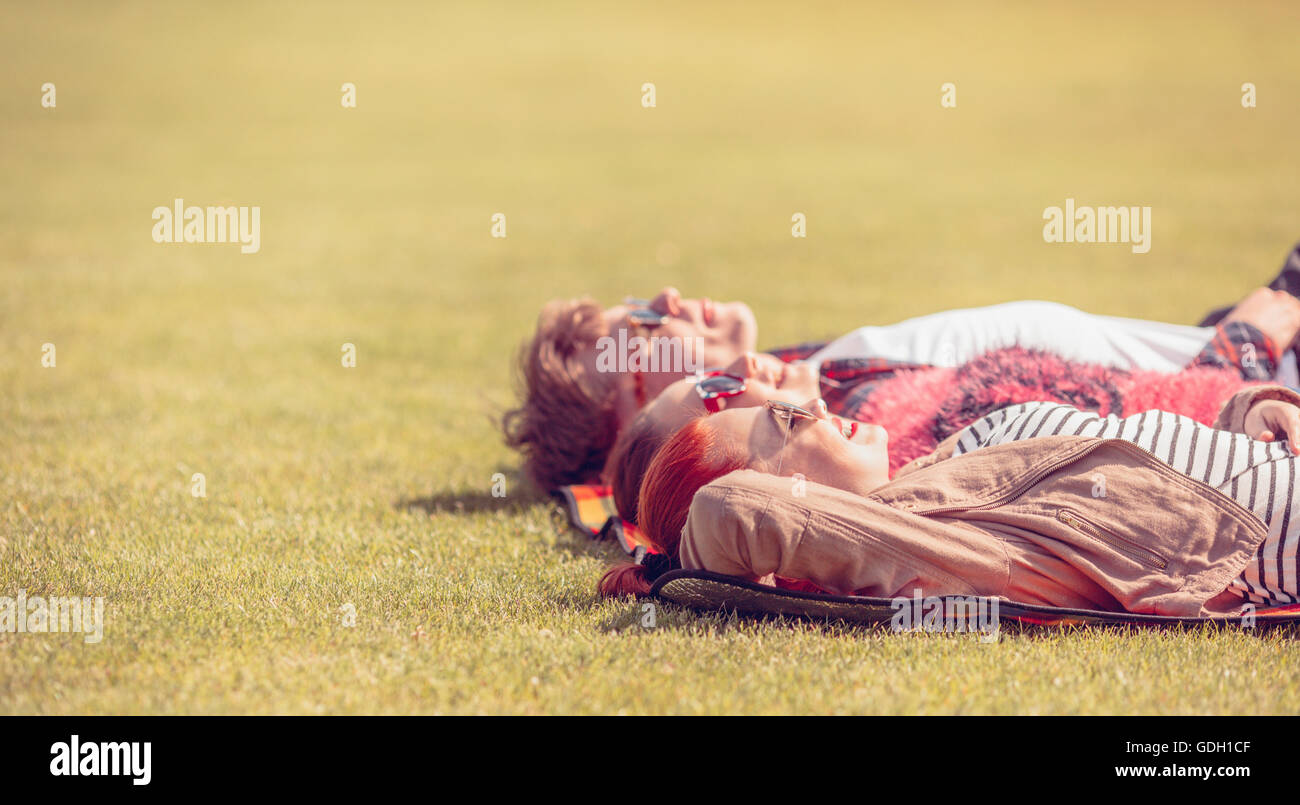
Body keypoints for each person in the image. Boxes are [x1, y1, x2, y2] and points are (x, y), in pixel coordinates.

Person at [503, 244, 1300, 492]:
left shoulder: (817, 376)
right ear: (641, 414)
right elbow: (1082, 424)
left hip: (1222, 359)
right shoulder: (839, 435)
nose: (666, 296)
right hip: (1248, 382)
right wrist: (1256, 333)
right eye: (642, 322)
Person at [601, 383, 1300, 616]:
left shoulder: (940, 469)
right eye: (784, 420)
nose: (810, 403)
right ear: (786, 489)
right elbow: (731, 512)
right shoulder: (917, 536)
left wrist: (1248, 412)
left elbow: (1131, 447)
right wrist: (676, 568)